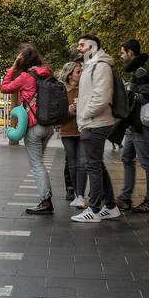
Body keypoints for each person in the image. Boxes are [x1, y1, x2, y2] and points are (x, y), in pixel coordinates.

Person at [0, 45, 56, 214]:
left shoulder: (25, 77)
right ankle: (46, 198)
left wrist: (14, 67)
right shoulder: (48, 74)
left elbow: (5, 87)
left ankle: (46, 201)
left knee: (37, 164)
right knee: (39, 162)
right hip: (48, 126)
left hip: (33, 126)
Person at [71, 35, 121, 223]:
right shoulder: (92, 65)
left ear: (92, 46)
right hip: (92, 121)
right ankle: (111, 207)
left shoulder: (101, 66)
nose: (79, 48)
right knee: (97, 164)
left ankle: (94, 209)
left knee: (92, 165)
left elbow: (102, 96)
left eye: (82, 45)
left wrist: (85, 114)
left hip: (95, 122)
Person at [116, 39, 149, 213]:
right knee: (126, 158)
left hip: (140, 124)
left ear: (130, 52)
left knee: (147, 163)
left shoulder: (141, 71)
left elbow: (146, 96)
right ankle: (126, 197)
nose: (121, 55)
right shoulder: (137, 70)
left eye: (122, 52)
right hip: (133, 125)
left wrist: (128, 94)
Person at [58, 54, 85, 207]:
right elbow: (57, 114)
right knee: (72, 164)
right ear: (69, 75)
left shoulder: (84, 90)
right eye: (78, 72)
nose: (80, 74)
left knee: (81, 164)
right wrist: (67, 110)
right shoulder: (61, 91)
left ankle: (80, 194)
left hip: (82, 130)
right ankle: (73, 191)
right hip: (67, 131)